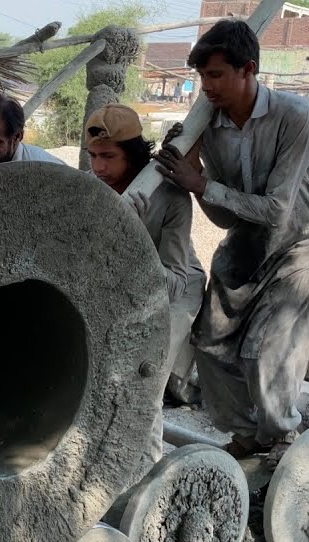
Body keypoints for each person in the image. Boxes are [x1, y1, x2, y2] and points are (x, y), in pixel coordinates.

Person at [154, 19, 309, 460]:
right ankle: (247, 433)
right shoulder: (209, 127)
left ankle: (282, 435)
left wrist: (203, 184)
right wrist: (192, 173)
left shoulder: (295, 118)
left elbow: (276, 209)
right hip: (246, 242)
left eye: (215, 75)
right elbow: (220, 217)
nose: (207, 87)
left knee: (263, 348)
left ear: (248, 69)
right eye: (202, 77)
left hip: (299, 242)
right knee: (209, 344)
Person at [85, 104, 205, 408]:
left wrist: (131, 238)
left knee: (147, 378)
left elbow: (174, 285)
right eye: (94, 156)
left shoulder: (172, 198)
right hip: (118, 286)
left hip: (173, 292)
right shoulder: (91, 188)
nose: (99, 168)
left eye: (109, 157)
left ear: (133, 154)